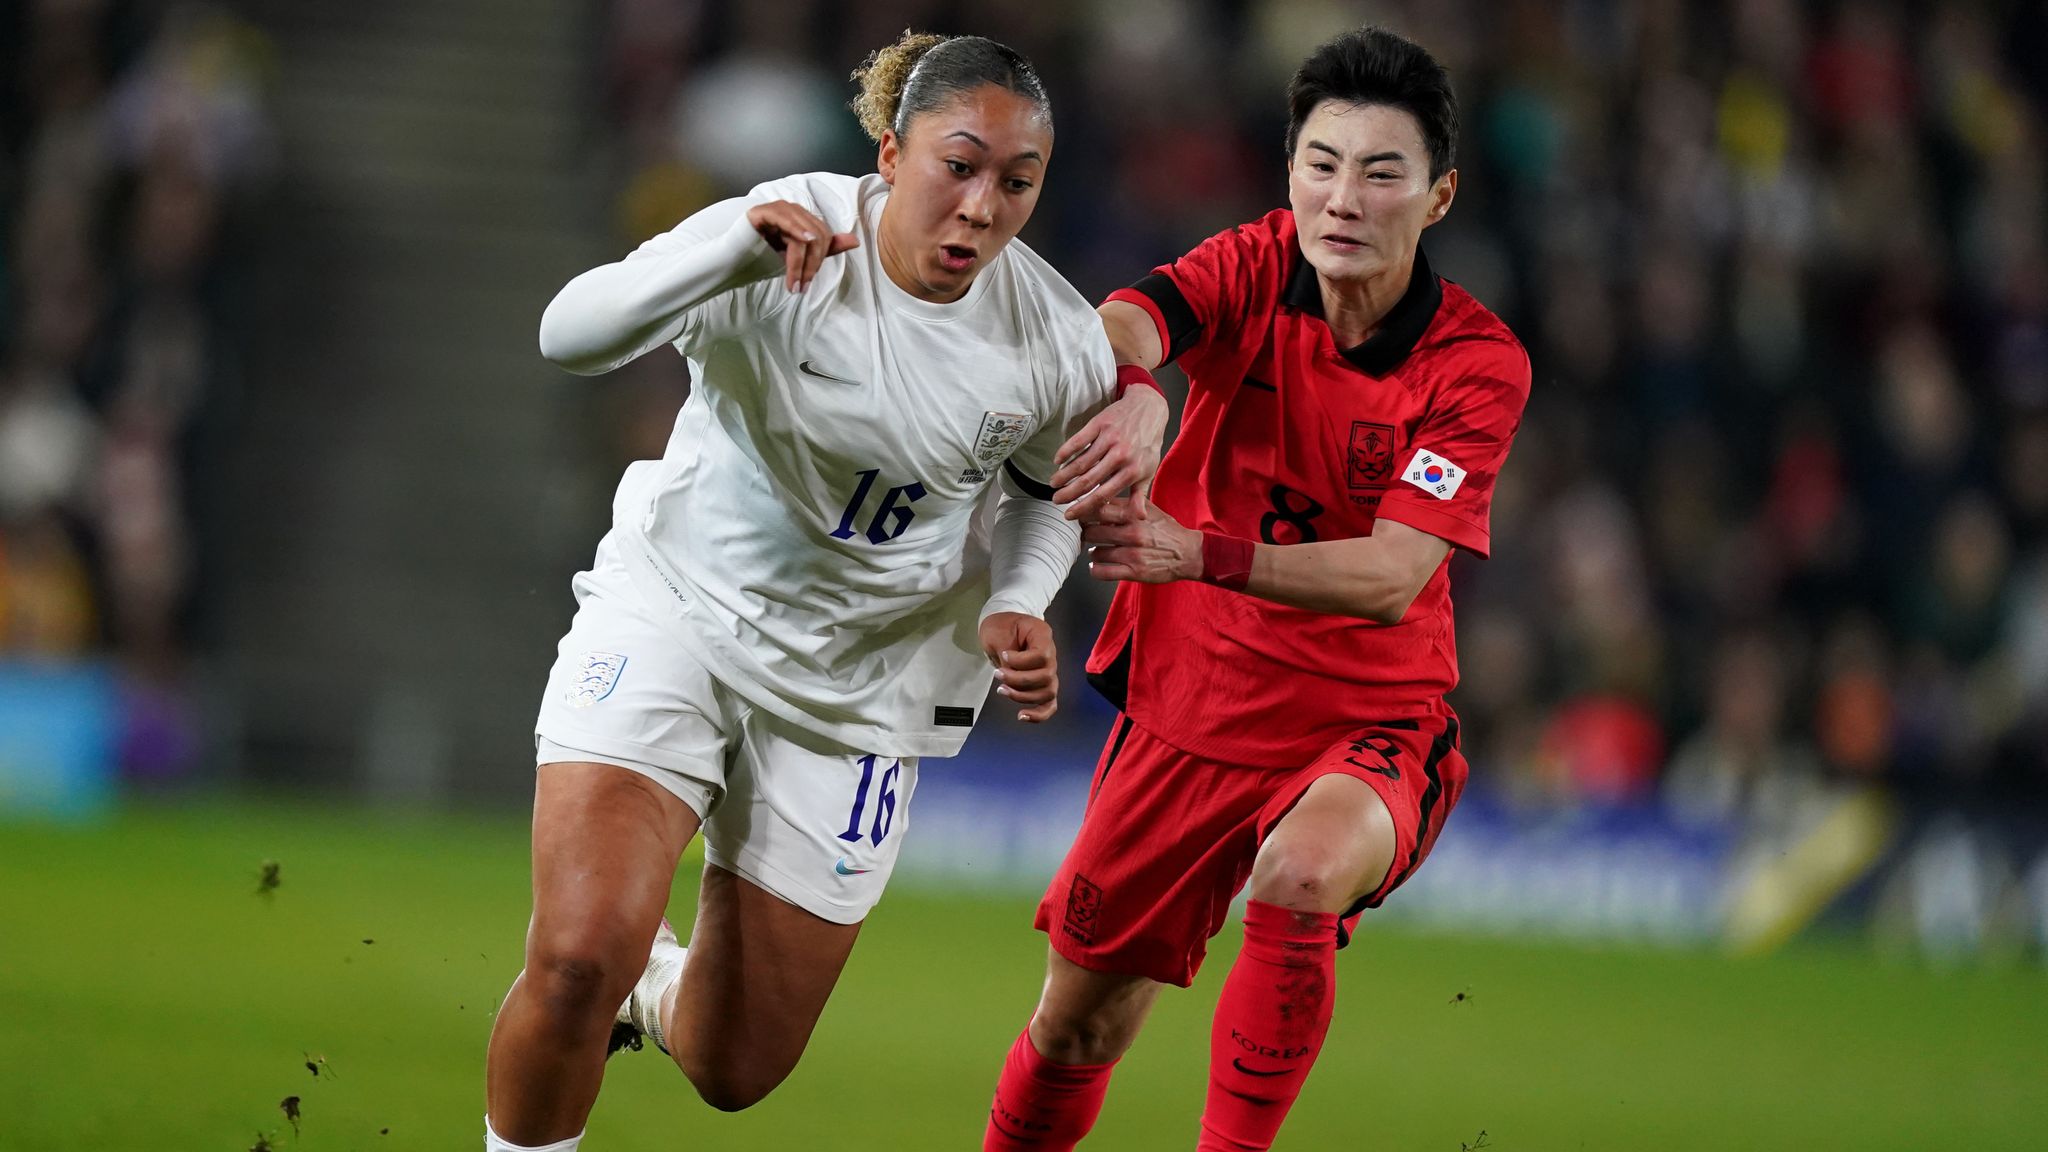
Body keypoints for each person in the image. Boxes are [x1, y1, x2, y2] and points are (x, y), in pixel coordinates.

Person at [482, 30, 1168, 1152]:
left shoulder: (1051, 338)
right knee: (568, 958)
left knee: (733, 1065)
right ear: (890, 155)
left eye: (1017, 181)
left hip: (862, 687)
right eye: (960, 164)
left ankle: (649, 983)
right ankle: (602, 987)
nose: (984, 205)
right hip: (679, 618)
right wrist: (717, 255)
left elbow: (1044, 492)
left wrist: (1018, 598)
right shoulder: (785, 234)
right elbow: (569, 335)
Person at [983, 27, 1532, 1152]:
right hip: (1191, 708)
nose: (1344, 197)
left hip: (1367, 717)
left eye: (1382, 172)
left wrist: (1198, 554)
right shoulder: (1254, 261)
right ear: (1289, 173)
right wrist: (1134, 387)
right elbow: (1126, 318)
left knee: (1298, 875)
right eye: (1320, 164)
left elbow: (1390, 577)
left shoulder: (1475, 363)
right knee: (1075, 1028)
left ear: (1436, 199)